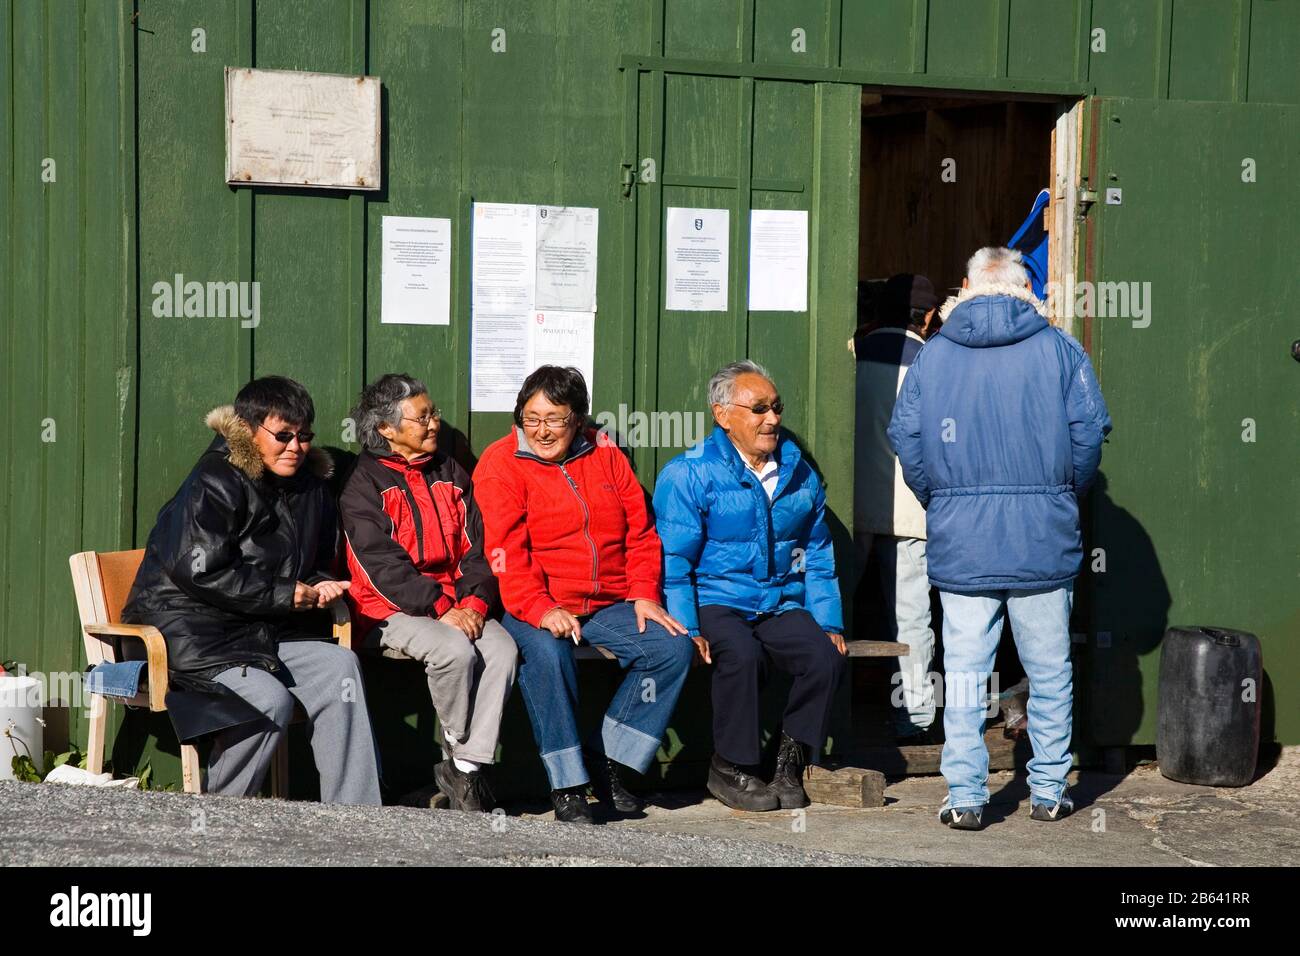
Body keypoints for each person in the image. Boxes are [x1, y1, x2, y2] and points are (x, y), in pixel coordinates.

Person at [888, 247, 1111, 830]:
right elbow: (1089, 437)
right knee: (1050, 668)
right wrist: (1061, 493)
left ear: (968, 287)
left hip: (963, 540)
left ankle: (964, 795)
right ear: (1023, 288)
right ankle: (1048, 790)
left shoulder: (934, 356)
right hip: (1043, 537)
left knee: (963, 670)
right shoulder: (1061, 350)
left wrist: (941, 496)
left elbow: (906, 438)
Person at [122, 376, 381, 804]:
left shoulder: (308, 487)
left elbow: (306, 563)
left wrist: (317, 586)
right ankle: (223, 814)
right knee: (267, 700)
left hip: (258, 634)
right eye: (283, 435)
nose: (296, 447)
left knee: (339, 668)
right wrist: (283, 594)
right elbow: (198, 569)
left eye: (304, 436)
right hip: (189, 636)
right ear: (247, 429)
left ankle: (355, 816)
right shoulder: (215, 479)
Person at [474, 365, 694, 824]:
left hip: (607, 600)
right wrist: (542, 607)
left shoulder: (604, 450)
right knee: (547, 655)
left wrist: (643, 593)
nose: (541, 430)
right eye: (530, 418)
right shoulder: (500, 463)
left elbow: (641, 529)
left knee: (671, 648)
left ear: (578, 420)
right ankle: (568, 784)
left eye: (554, 418)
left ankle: (607, 761)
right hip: (533, 599)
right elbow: (504, 552)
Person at [653, 360, 847, 812]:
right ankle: (731, 767)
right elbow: (674, 560)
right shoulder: (690, 473)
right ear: (723, 415)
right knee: (741, 655)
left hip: (778, 600)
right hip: (715, 599)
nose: (773, 418)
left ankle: (788, 761)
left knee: (823, 656)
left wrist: (828, 621)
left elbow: (817, 554)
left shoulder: (799, 473)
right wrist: (687, 626)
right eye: (758, 408)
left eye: (776, 407)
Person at [340, 373, 516, 812]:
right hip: (387, 609)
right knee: (454, 651)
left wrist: (475, 601)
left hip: (456, 602)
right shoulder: (364, 486)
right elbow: (381, 566)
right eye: (423, 417)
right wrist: (441, 607)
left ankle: (466, 769)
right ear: (386, 429)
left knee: (503, 650)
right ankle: (461, 753)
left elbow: (478, 546)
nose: (435, 423)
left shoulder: (450, 471)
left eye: (434, 413)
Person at [854, 274, 941, 744]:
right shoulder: (933, 362)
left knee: (833, 611)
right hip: (911, 509)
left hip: (851, 505)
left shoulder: (851, 354)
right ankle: (916, 716)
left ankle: (828, 713)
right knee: (910, 616)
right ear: (926, 316)